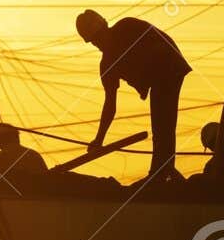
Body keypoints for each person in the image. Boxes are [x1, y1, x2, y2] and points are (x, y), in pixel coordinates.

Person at [76, 9, 191, 181]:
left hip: (170, 64)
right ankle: (164, 169)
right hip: (158, 77)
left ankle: (160, 171)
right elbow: (110, 104)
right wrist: (99, 139)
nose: (99, 44)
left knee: (162, 124)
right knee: (161, 125)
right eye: (94, 42)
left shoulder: (126, 27)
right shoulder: (107, 65)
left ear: (106, 28)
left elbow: (159, 44)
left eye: (99, 37)